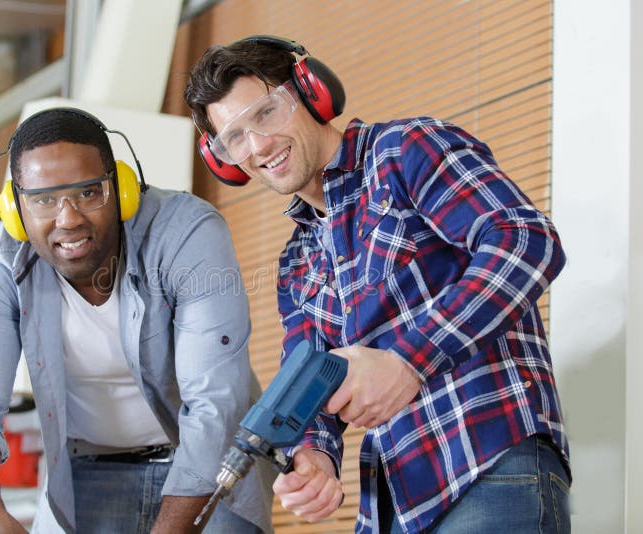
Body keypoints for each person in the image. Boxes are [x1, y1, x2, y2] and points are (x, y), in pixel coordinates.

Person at [184, 35, 571, 533]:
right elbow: (310, 384)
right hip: (393, 506)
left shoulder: (404, 151)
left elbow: (525, 240)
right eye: (234, 138)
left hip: (487, 466)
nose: (257, 146)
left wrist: (409, 360)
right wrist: (313, 458)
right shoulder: (297, 263)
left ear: (309, 92)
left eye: (264, 114)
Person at [0, 107, 275, 533]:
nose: (69, 218)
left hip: (208, 462)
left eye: (88, 192)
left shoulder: (185, 233)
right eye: (43, 200)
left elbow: (214, 405)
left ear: (122, 189)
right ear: (13, 210)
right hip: (85, 471)